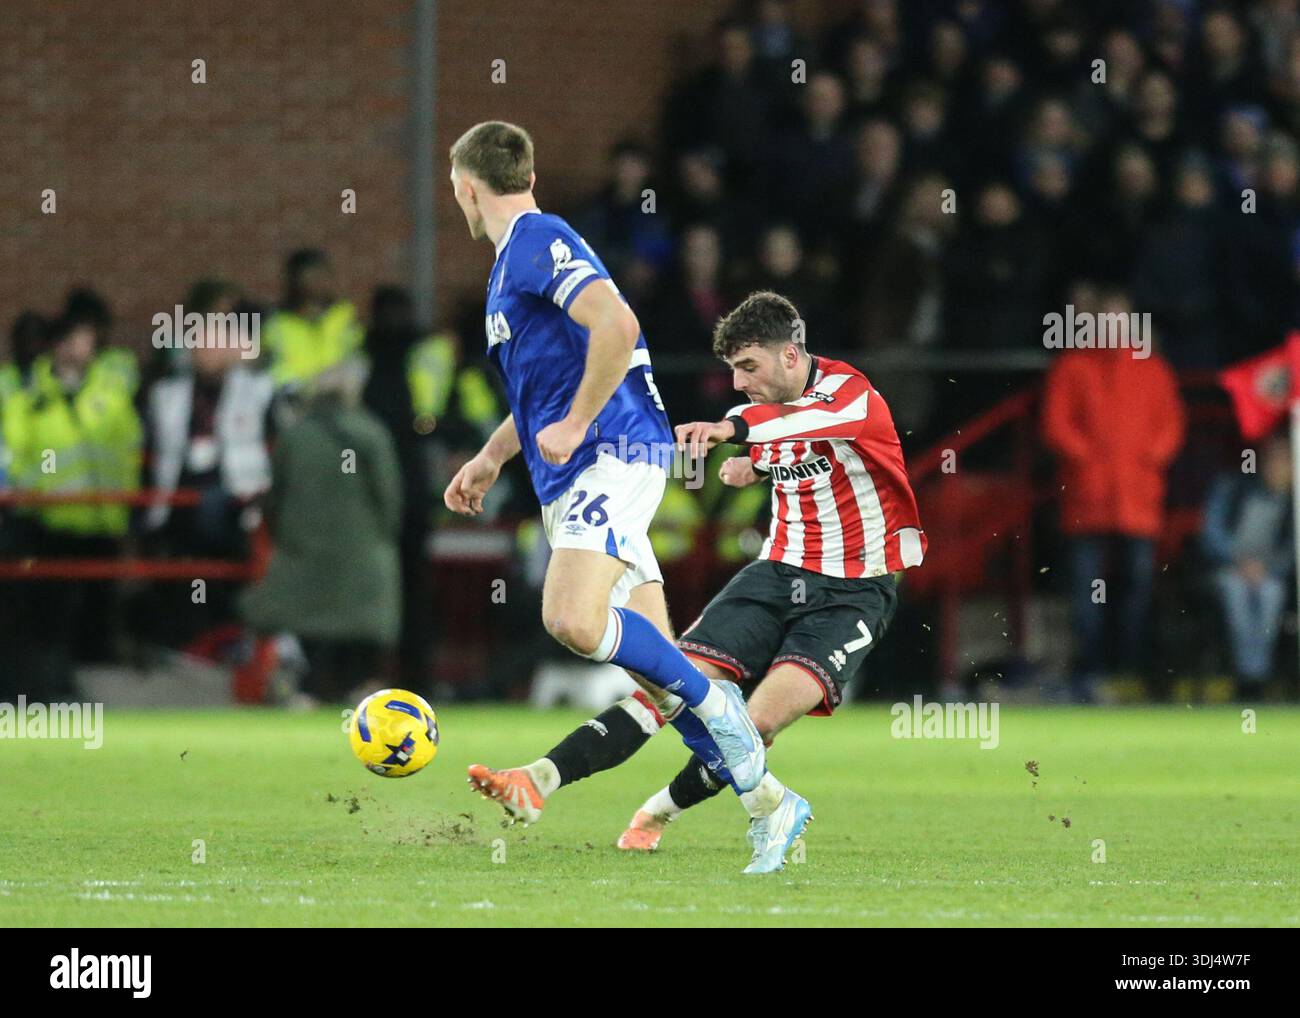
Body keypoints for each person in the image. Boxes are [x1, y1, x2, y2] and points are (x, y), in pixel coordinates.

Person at [442, 121, 780, 865]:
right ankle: (554, 780)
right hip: (574, 469)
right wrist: (493, 456)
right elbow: (544, 386)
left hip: (614, 452)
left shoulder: (536, 238)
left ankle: (713, 697)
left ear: (467, 187)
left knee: (570, 616)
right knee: (652, 681)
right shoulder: (511, 267)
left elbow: (618, 326)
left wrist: (579, 420)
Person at [487, 291, 926, 863]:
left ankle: (658, 810)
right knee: (669, 682)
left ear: (791, 355)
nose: (740, 382)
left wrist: (727, 433)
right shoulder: (777, 418)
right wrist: (751, 465)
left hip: (854, 592)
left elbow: (792, 422)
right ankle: (542, 777)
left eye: (750, 366)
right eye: (734, 370)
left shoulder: (851, 395)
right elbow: (784, 442)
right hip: (774, 574)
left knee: (757, 723)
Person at [1041, 287, 1186, 700]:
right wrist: (1091, 459)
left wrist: (1145, 460)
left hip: (1135, 498)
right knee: (1088, 591)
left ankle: (1125, 668)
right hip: (1091, 497)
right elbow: (1057, 425)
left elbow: (1170, 427)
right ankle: (1093, 669)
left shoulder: (1152, 368)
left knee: (1135, 586)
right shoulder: (1073, 367)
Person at [238, 359, 401, 704]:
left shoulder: (295, 436)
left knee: (311, 631)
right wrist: (380, 540)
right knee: (357, 633)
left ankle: (307, 690)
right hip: (363, 558)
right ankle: (359, 693)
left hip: (304, 556)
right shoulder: (371, 432)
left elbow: (274, 500)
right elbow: (390, 500)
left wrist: (290, 539)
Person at [1201, 434, 1294, 699]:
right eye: (1273, 459)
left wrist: (1267, 567)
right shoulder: (1232, 488)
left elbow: (1290, 550)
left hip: (1268, 574)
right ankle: (1246, 674)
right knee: (1236, 593)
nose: (1277, 467)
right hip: (1228, 569)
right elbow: (1211, 533)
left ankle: (1257, 676)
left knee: (1270, 594)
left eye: (1285, 461)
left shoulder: (1293, 504)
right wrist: (1237, 561)